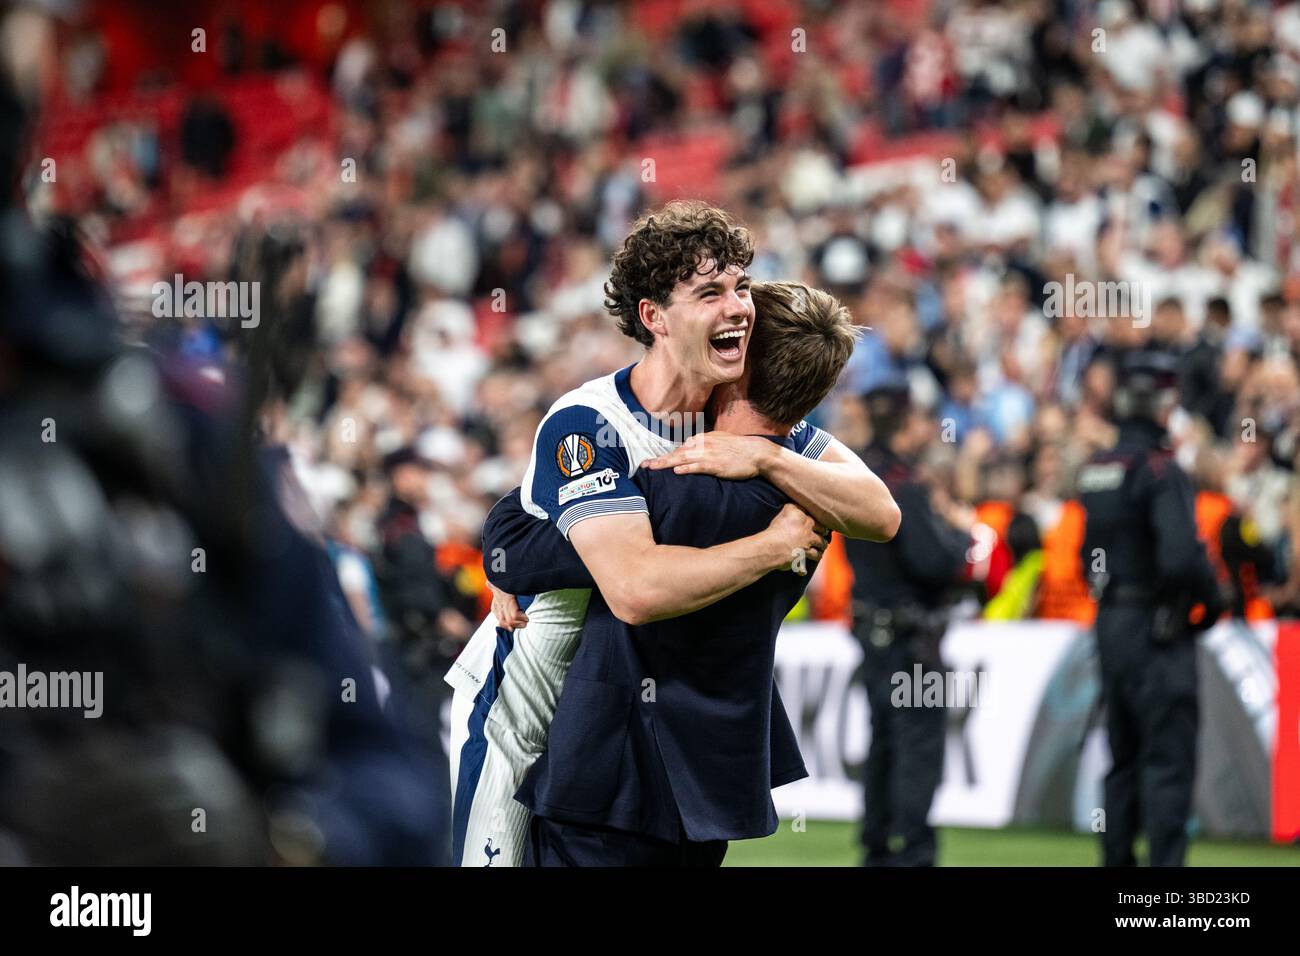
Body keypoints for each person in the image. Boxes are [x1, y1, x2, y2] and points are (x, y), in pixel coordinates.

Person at [447, 259, 899, 866]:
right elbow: (884, 515)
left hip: (602, 762)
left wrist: (507, 553)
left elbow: (533, 549)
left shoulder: (668, 482)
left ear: (740, 370)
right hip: (712, 776)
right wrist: (772, 490)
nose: (731, 315)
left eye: (739, 303)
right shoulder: (810, 487)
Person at [1077, 349, 1223, 867]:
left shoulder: (1097, 469)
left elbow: (1085, 560)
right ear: (1166, 405)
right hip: (1159, 630)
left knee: (1123, 760)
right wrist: (1212, 601)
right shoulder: (1162, 471)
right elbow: (1182, 557)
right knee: (1166, 763)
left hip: (1112, 625)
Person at [843, 382, 975, 867]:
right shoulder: (907, 484)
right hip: (911, 639)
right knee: (917, 747)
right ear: (905, 424)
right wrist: (959, 535)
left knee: (882, 742)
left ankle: (876, 845)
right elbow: (935, 563)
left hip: (871, 632)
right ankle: (913, 850)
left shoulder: (852, 474)